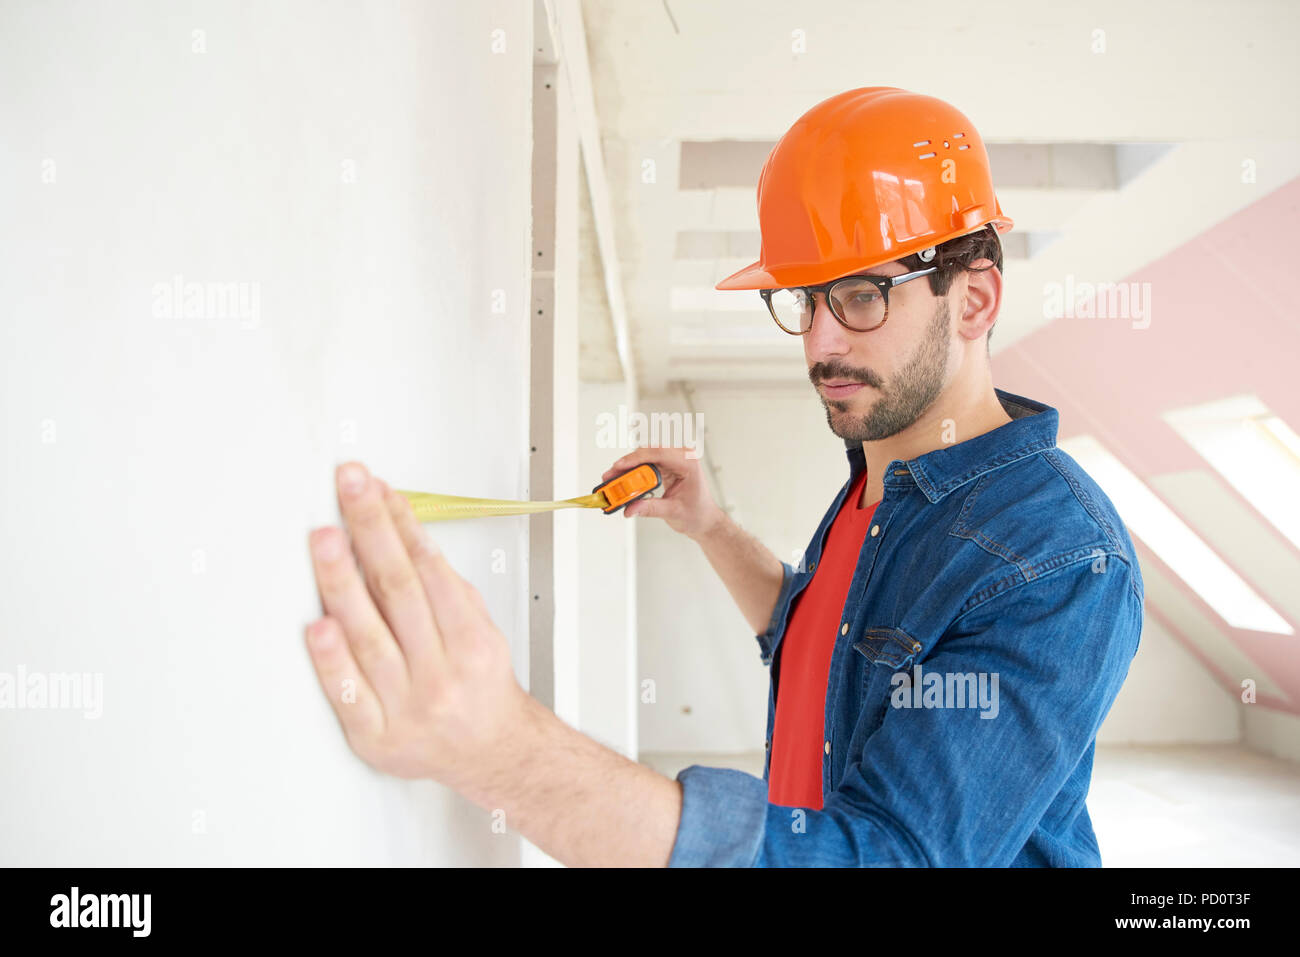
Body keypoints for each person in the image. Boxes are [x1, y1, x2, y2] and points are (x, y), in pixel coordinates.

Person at [304, 87, 1144, 866]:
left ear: (973, 301)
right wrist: (710, 523)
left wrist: (505, 750)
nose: (819, 343)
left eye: (858, 295)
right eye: (802, 301)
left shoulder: (1059, 557)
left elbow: (886, 860)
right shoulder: (880, 483)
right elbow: (822, 639)